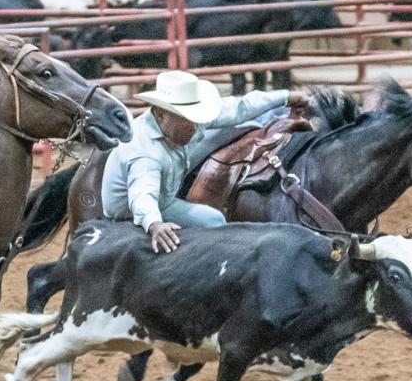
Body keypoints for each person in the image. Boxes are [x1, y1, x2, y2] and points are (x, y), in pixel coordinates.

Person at [101, 70, 306, 254]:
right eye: (186, 119)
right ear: (161, 114)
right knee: (213, 220)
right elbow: (142, 194)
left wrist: (285, 97)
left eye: (196, 117)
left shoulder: (185, 124)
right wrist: (154, 223)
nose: (194, 126)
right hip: (131, 209)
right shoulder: (146, 154)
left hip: (165, 188)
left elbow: (239, 107)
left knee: (245, 124)